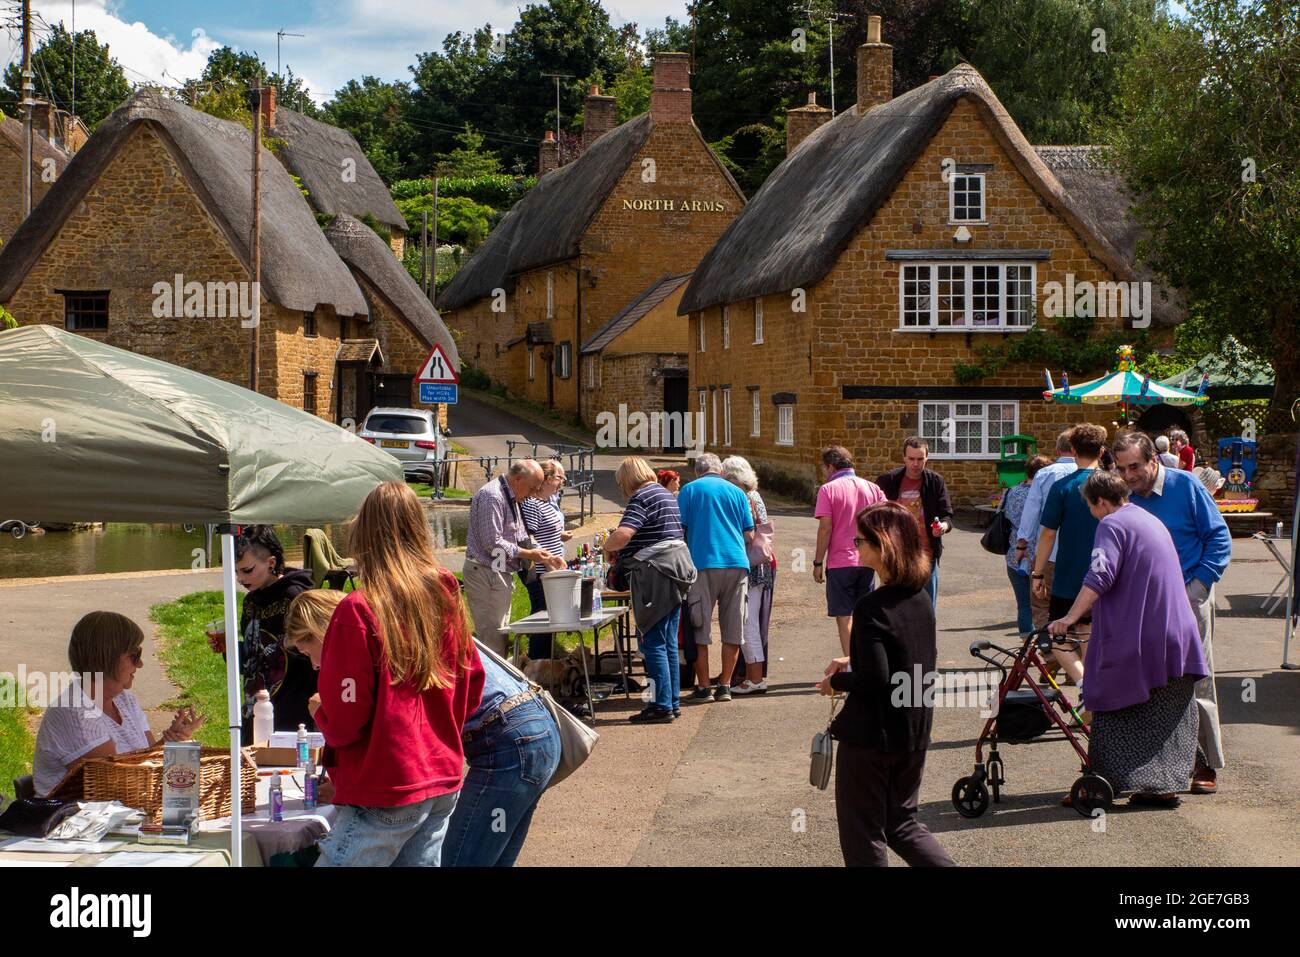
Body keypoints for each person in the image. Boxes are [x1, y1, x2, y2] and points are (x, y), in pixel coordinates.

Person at [286, 589, 560, 866]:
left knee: (459, 861)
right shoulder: (406, 619)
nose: (314, 664)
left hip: (504, 736)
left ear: (322, 629)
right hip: (529, 728)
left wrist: (327, 717)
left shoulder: (361, 634)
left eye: (308, 651)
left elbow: (376, 725)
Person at [310, 480, 485, 867]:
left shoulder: (359, 609)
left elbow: (347, 714)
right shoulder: (445, 595)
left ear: (365, 534)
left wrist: (323, 715)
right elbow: (471, 680)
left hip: (388, 781)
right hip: (439, 770)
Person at [1048, 470, 1208, 807]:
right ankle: (1162, 786)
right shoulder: (1146, 518)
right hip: (1177, 635)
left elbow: (1100, 574)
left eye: (1091, 507)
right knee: (1167, 714)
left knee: (1113, 705)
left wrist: (1069, 617)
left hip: (1146, 637)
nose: (1093, 514)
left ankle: (1099, 785)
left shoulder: (1111, 524)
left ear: (1101, 503)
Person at [816, 502, 954, 868]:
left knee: (863, 835)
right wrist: (854, 657)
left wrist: (837, 680)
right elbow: (911, 655)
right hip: (913, 730)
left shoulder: (871, 607)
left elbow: (876, 679)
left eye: (861, 540)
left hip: (872, 737)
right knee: (903, 824)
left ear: (884, 545)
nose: (855, 546)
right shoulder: (920, 598)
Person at [1112, 430, 1231, 795]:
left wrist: (1198, 588)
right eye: (1121, 469)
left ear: (1153, 460)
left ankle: (1206, 764)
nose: (1129, 475)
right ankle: (1160, 766)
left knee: (1197, 679)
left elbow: (1219, 538)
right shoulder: (1124, 496)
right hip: (1145, 603)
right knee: (1150, 681)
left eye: (1134, 467)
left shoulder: (1185, 486)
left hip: (1188, 594)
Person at [34, 612, 203, 796]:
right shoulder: (73, 710)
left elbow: (145, 761)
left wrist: (171, 741)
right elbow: (118, 779)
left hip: (122, 810)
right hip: (74, 817)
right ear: (106, 657)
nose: (140, 664)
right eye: (135, 655)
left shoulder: (126, 701)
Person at [605, 456, 695, 722]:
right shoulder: (664, 494)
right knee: (667, 642)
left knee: (651, 641)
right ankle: (671, 701)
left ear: (628, 479)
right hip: (677, 568)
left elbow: (623, 535)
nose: (623, 488)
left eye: (622, 482)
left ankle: (660, 705)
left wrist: (606, 547)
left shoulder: (641, 497)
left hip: (656, 572)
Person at [207, 525, 315, 743]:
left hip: (291, 712)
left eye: (247, 570)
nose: (240, 578)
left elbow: (315, 655)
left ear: (271, 563)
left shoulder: (296, 597)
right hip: (254, 709)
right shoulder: (250, 602)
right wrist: (231, 648)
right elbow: (252, 658)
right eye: (234, 571)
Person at [464, 459, 563, 655]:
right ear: (518, 479)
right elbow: (491, 543)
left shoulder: (514, 496)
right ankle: (492, 684)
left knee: (500, 635)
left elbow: (521, 536)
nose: (534, 493)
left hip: (499, 571)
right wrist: (529, 554)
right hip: (484, 572)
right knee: (492, 638)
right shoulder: (492, 496)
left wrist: (546, 556)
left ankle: (500, 681)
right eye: (533, 487)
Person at [1031, 423, 1107, 681]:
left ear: (1072, 450)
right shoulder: (1113, 487)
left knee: (1056, 636)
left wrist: (1038, 573)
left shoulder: (1062, 487)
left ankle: (1084, 683)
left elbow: (1048, 534)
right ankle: (1091, 694)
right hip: (1105, 573)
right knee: (1089, 634)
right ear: (1102, 450)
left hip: (1068, 575)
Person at [677, 452, 754, 703]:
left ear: (698, 471)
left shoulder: (688, 490)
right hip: (736, 563)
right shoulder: (737, 492)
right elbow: (749, 535)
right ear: (720, 471)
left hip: (702, 564)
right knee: (733, 627)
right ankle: (725, 686)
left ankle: (703, 687)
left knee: (700, 627)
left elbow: (681, 530)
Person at [814, 445, 886, 655]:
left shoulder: (827, 490)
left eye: (825, 468)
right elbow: (884, 522)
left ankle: (851, 664)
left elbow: (825, 529)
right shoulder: (872, 488)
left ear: (831, 466)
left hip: (840, 562)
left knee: (845, 616)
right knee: (864, 615)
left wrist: (818, 562)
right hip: (867, 561)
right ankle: (867, 660)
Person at [877, 437, 953, 610]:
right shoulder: (887, 481)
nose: (916, 464)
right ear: (904, 457)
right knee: (895, 609)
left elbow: (947, 516)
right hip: (896, 556)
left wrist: (943, 527)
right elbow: (874, 515)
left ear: (927, 458)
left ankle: (925, 638)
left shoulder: (935, 482)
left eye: (920, 459)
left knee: (926, 609)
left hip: (926, 556)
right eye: (911, 459)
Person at [722, 455, 776, 693]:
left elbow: (748, 534)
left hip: (752, 567)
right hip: (759, 565)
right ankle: (751, 675)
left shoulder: (745, 497)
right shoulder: (753, 495)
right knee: (749, 621)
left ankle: (754, 679)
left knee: (748, 623)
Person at [1015, 431, 1077, 631]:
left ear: (1057, 450)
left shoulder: (1044, 474)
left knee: (1041, 603)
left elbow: (1031, 513)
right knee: (1076, 607)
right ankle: (1074, 651)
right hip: (1081, 555)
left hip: (1048, 554)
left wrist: (1022, 543)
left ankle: (1050, 652)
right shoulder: (1092, 473)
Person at [518, 460, 572, 659]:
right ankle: (537, 664)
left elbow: (546, 533)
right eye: (559, 477)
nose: (562, 482)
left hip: (551, 571)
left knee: (551, 618)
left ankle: (547, 664)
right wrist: (547, 559)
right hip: (540, 573)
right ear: (547, 479)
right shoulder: (533, 504)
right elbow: (527, 539)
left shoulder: (550, 502)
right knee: (542, 618)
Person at [1002, 456, 1051, 638]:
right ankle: (1047, 647)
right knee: (1043, 605)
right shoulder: (1047, 495)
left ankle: (1025, 647)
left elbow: (1004, 515)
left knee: (1023, 604)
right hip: (1044, 556)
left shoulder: (1011, 492)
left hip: (1016, 555)